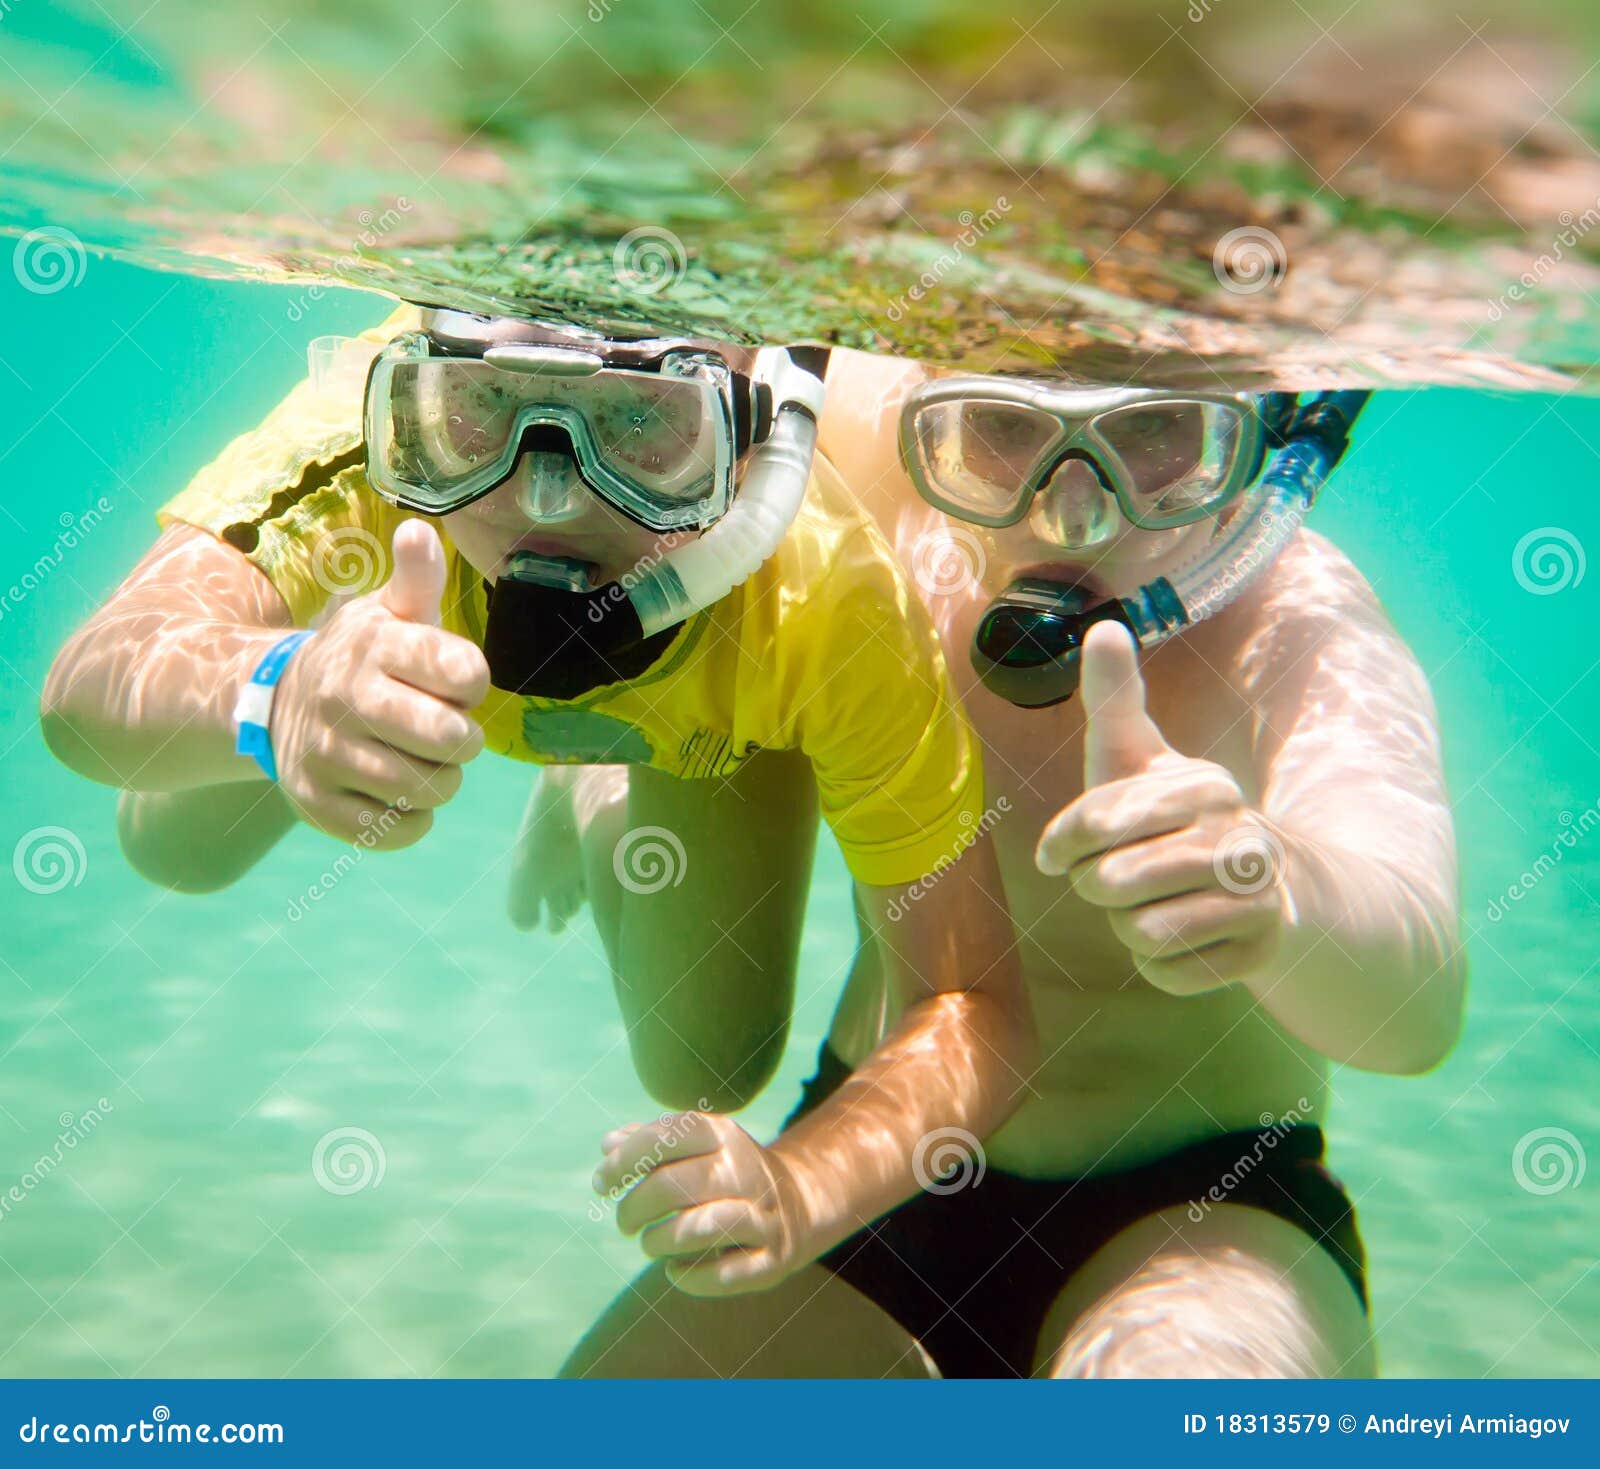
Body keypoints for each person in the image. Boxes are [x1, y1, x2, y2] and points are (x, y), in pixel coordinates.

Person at [40, 305, 1033, 1303]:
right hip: (353, 646)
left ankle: (595, 776)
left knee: (708, 1062)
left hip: (708, 719)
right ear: (419, 401)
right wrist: (281, 691)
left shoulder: (822, 599)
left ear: (751, 438)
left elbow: (973, 1002)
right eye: (483, 409)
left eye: (644, 422)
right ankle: (345, 679)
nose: (548, 496)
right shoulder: (365, 450)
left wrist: (798, 1186)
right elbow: (90, 677)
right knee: (175, 844)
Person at [558, 355, 1466, 1377]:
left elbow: (1418, 1004)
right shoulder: (881, 499)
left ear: (1253, 443)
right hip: (876, 1160)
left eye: (1156, 433)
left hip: (1204, 1213)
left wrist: (1277, 895)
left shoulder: (1296, 623)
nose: (1071, 512)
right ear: (929, 421)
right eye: (1002, 433)